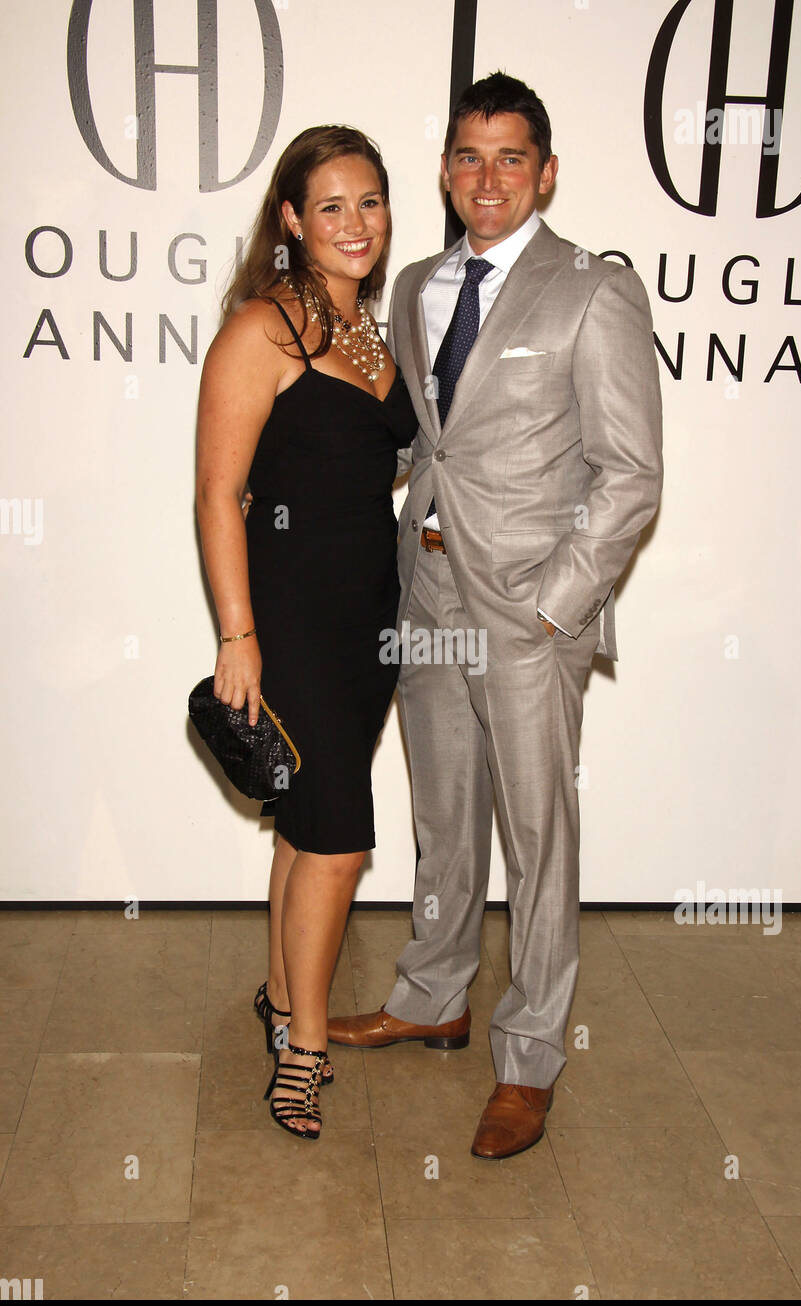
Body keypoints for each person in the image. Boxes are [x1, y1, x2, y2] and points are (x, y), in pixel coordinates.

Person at [328, 73, 663, 1159]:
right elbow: (427, 439)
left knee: (537, 837)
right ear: (443, 171)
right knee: (443, 811)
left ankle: (527, 1059)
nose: (487, 177)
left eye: (509, 157)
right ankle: (433, 993)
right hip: (425, 589)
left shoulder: (591, 292)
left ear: (546, 172)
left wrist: (558, 608)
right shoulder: (419, 280)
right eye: (468, 156)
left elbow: (628, 476)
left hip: (526, 611)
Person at [195, 126, 416, 1140]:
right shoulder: (261, 330)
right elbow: (215, 493)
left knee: (301, 817)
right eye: (330, 206)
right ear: (291, 219)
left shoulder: (373, 332)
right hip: (288, 621)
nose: (354, 223)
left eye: (368, 201)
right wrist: (237, 637)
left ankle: (281, 994)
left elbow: (380, 463)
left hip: (370, 614)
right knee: (338, 842)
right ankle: (306, 1047)